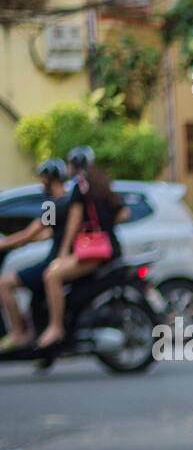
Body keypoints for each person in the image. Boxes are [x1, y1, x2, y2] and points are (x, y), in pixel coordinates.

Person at [36, 146, 122, 350]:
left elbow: (48, 228)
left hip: (88, 250)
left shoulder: (60, 198)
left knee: (51, 275)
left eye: (43, 177)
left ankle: (56, 327)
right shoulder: (98, 184)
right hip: (106, 246)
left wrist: (63, 250)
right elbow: (122, 211)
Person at [0, 159, 69, 351]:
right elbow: (47, 233)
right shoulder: (67, 200)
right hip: (60, 259)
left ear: (50, 178)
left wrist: (5, 243)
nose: (41, 183)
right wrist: (26, 240)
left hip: (54, 262)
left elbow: (30, 232)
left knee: (4, 283)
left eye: (43, 178)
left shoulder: (53, 204)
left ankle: (18, 333)